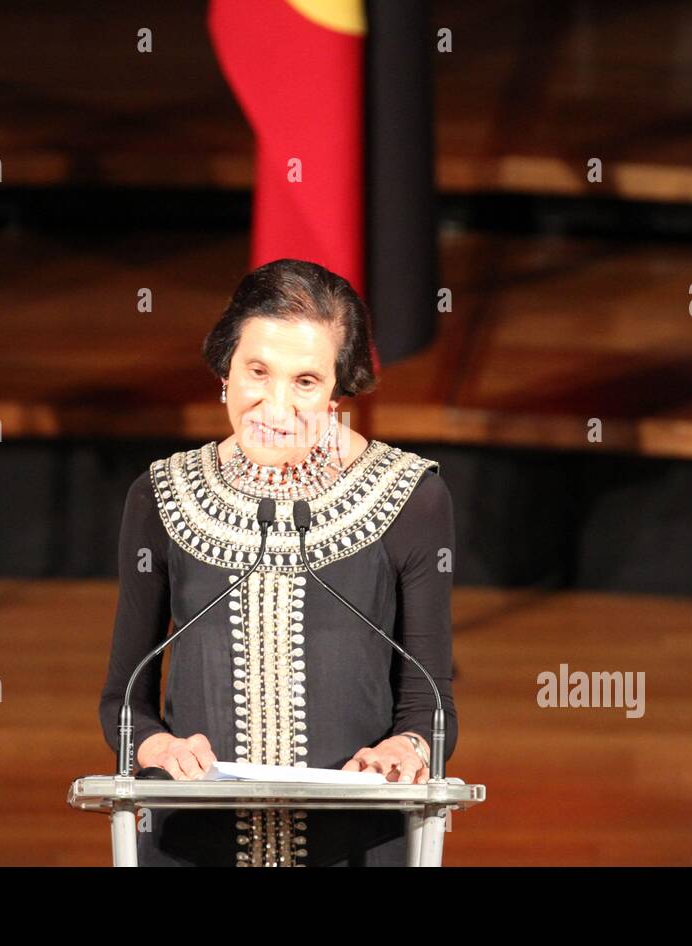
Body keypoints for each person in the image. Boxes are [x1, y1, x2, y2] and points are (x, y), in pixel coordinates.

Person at [98, 258, 458, 866]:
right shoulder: (159, 496)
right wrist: (155, 746)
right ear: (224, 369)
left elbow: (429, 701)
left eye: (306, 381)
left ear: (339, 389)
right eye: (258, 371)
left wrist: (409, 745)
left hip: (356, 846)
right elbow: (123, 700)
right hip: (194, 844)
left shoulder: (414, 499)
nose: (276, 405)